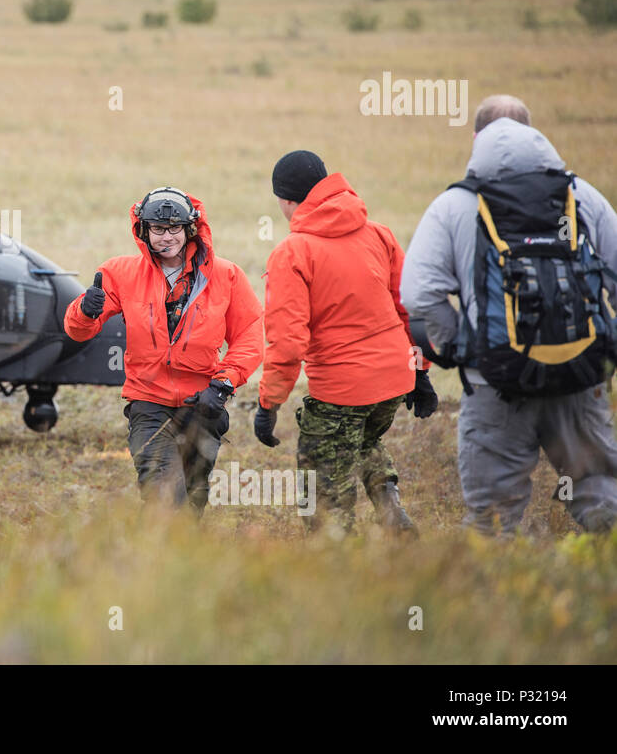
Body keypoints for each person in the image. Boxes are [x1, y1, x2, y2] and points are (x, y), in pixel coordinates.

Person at [401, 98, 617, 535]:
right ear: (536, 136)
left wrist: (466, 346)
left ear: (476, 139)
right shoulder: (580, 194)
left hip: (494, 383)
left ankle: (494, 602)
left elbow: (417, 293)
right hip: (581, 377)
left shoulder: (456, 204)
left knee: (493, 521)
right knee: (600, 497)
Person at [256, 151, 432, 537]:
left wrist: (269, 403)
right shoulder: (378, 233)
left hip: (341, 389)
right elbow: (411, 308)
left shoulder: (293, 252)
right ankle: (389, 506)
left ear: (286, 200)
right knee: (363, 437)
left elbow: (287, 343)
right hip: (393, 381)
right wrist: (421, 373)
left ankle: (334, 564)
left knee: (322, 491)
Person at [64, 187, 263, 513]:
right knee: (163, 495)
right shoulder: (120, 273)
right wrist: (86, 309)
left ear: (190, 230)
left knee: (193, 498)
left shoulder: (226, 276)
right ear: (144, 230)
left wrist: (224, 382)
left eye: (174, 228)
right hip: (148, 404)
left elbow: (250, 335)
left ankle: (178, 560)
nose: (165, 237)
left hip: (203, 404)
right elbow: (78, 330)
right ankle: (156, 554)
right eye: (158, 229)